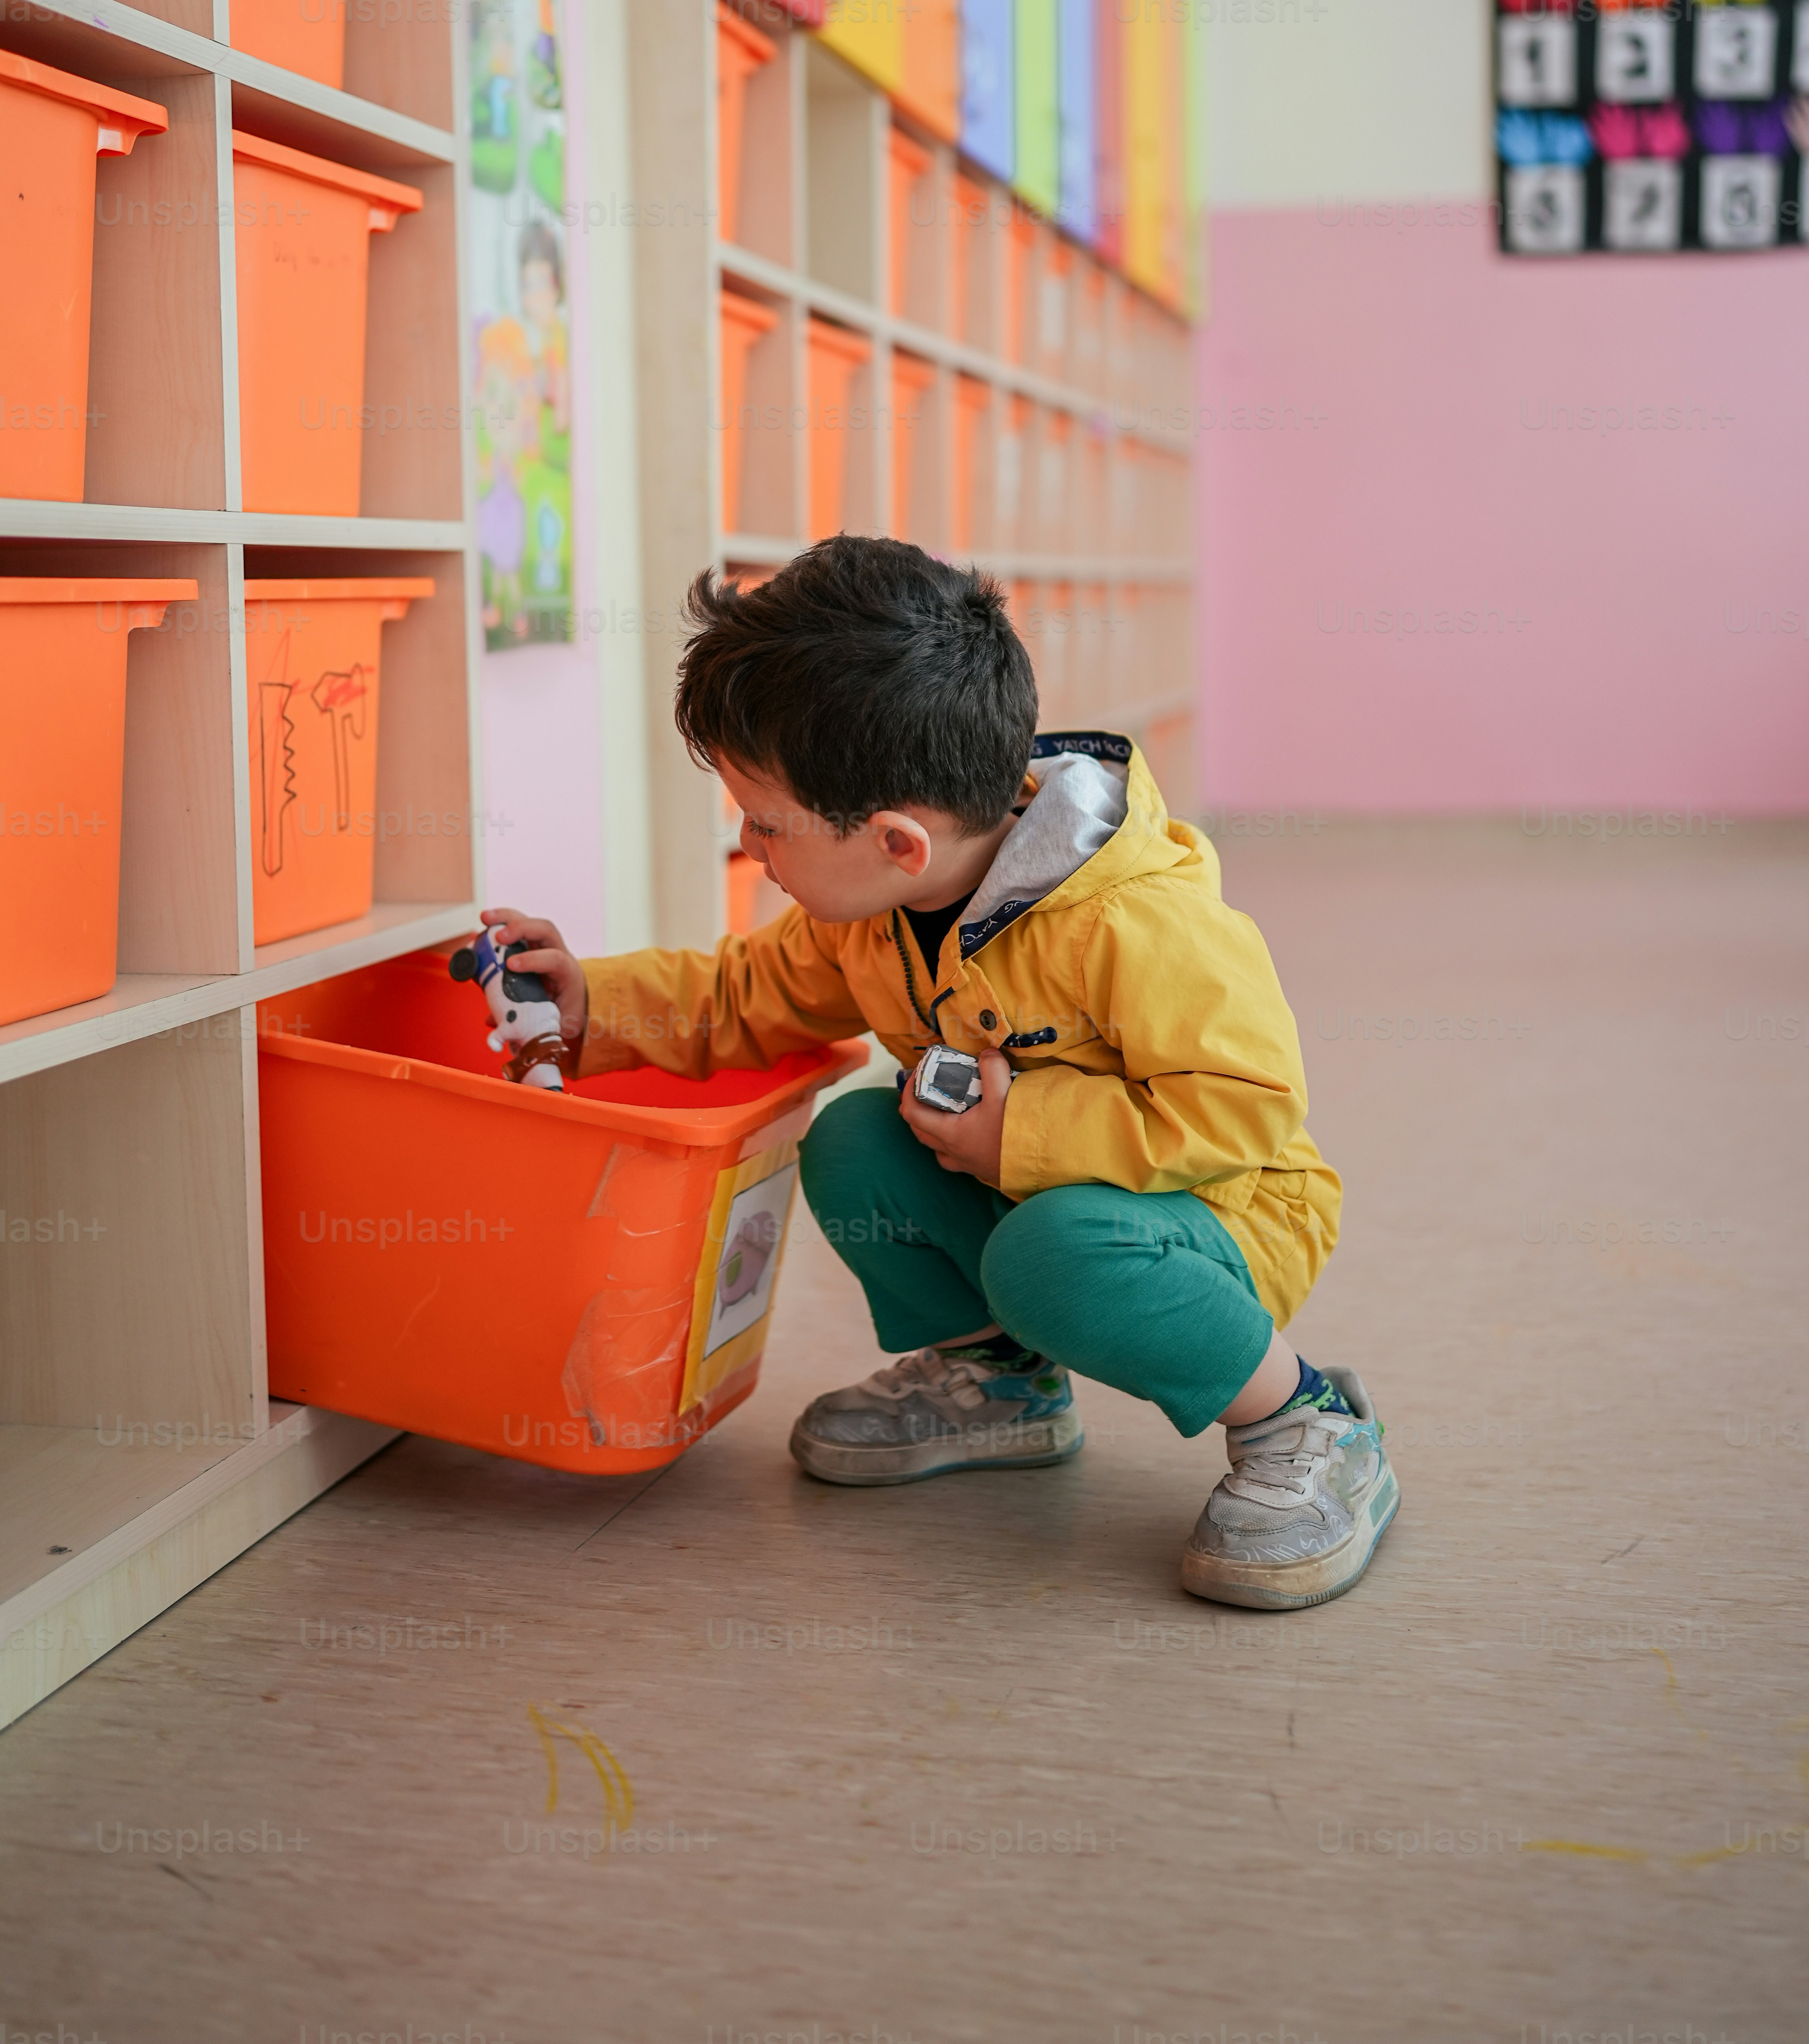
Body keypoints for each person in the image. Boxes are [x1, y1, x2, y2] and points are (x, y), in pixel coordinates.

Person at [487, 535, 1397, 1609]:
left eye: (766, 824)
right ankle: (1002, 1382)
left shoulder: (1137, 919)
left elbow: (1245, 1108)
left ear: (897, 841)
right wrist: (592, 1003)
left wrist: (1024, 1136)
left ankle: (1308, 1420)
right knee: (854, 1141)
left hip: (1220, 1214)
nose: (750, 845)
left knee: (1050, 1255)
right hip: (1035, 1207)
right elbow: (745, 994)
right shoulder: (870, 912)